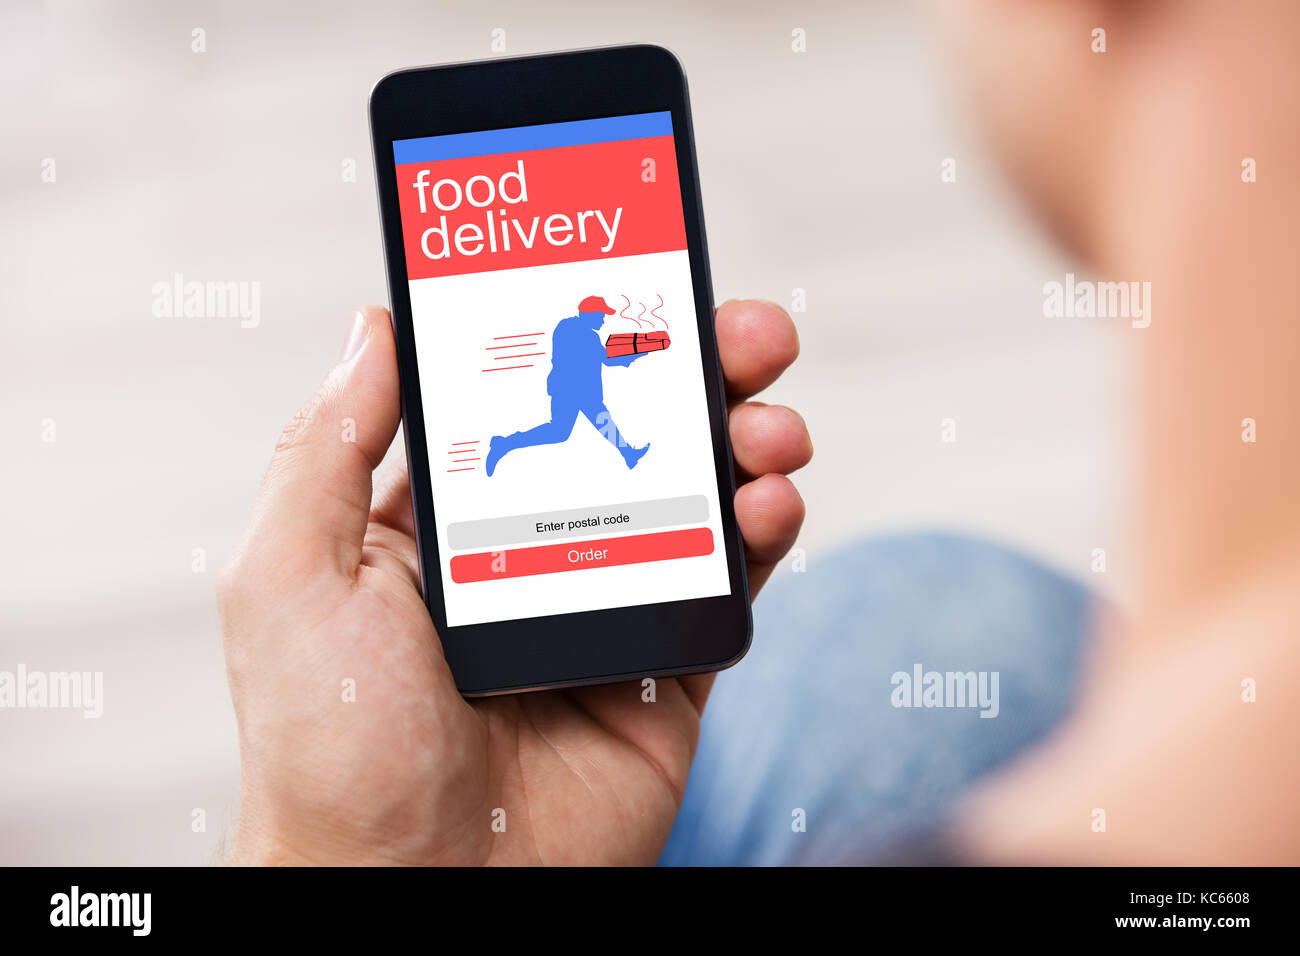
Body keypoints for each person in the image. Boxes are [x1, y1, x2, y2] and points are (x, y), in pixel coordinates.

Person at [220, 0, 1299, 865]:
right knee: (936, 613)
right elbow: (592, 377)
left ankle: (566, 464)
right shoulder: (571, 339)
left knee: (927, 622)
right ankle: (547, 461)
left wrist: (334, 851)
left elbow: (603, 373)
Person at [485, 295, 653, 476]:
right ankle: (503, 444)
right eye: (601, 315)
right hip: (570, 391)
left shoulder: (572, 328)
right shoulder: (580, 332)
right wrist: (638, 353)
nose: (604, 319)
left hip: (580, 390)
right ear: (591, 314)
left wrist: (632, 354)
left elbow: (601, 357)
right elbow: (606, 359)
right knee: (560, 432)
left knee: (601, 423)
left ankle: (627, 454)